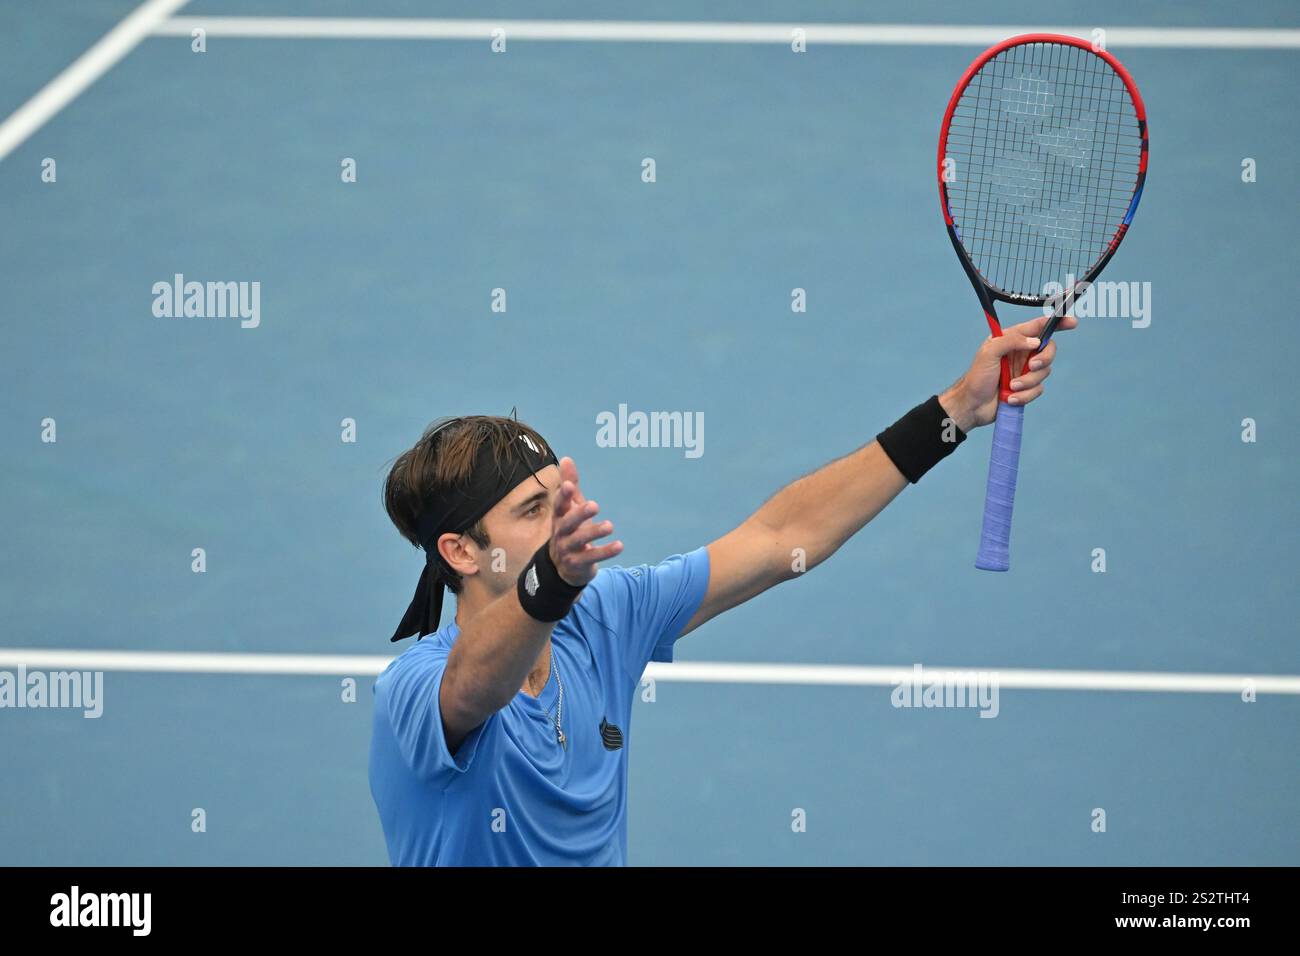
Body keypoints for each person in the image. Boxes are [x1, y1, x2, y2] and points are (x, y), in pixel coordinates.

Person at [368, 314, 1075, 865]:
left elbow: (780, 538)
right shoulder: (414, 688)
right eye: (531, 511)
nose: (558, 521)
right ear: (461, 551)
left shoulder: (605, 615)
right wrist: (550, 582)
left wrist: (955, 409)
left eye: (559, 498)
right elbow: (473, 689)